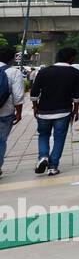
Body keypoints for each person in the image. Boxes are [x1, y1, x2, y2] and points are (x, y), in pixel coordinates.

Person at [29, 47, 79, 176]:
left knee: (43, 135)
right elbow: (76, 96)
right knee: (59, 138)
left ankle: (43, 157)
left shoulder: (44, 72)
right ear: (71, 58)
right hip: (63, 111)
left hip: (43, 110)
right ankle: (53, 166)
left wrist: (35, 106)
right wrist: (75, 110)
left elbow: (34, 93)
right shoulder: (76, 73)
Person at [0, 46, 25, 180]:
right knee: (0, 141)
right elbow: (18, 96)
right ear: (11, 59)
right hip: (5, 113)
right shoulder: (13, 72)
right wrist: (19, 113)